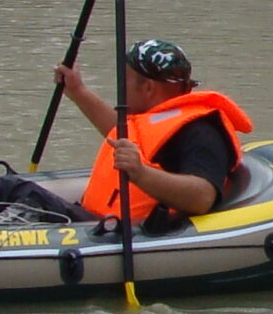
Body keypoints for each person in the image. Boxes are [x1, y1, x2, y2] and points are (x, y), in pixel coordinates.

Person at [61, 38, 254, 225]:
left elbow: (202, 197)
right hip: (94, 222)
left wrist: (141, 174)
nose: (119, 87)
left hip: (127, 234)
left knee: (29, 193)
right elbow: (122, 133)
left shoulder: (201, 132)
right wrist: (77, 91)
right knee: (30, 194)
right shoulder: (154, 117)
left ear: (147, 87)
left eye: (123, 80)